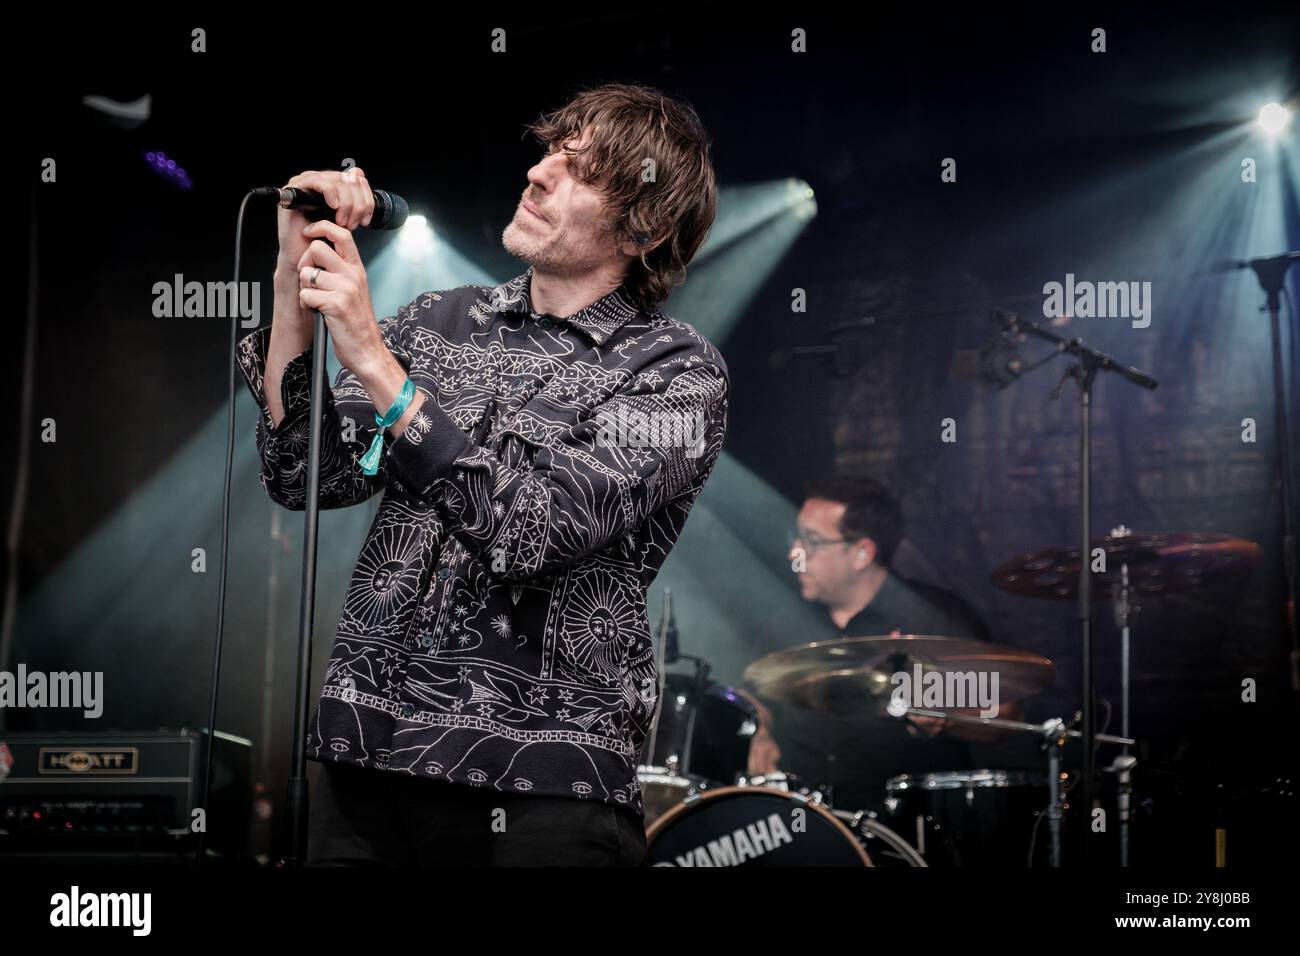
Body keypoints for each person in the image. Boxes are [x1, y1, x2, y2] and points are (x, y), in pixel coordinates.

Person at [236, 84, 726, 866]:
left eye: (580, 171)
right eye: (547, 156)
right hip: (365, 759)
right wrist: (294, 269)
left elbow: (533, 531)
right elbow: (303, 475)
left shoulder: (675, 371)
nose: (537, 175)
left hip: (543, 788)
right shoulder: (438, 322)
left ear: (646, 227)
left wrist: (371, 357)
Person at [744, 474, 1019, 810]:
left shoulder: (932, 620)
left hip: (901, 828)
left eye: (811, 541)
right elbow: (754, 694)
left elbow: (1005, 712)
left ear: (862, 553)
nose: (794, 553)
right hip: (804, 821)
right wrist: (761, 731)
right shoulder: (786, 618)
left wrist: (946, 714)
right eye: (796, 538)